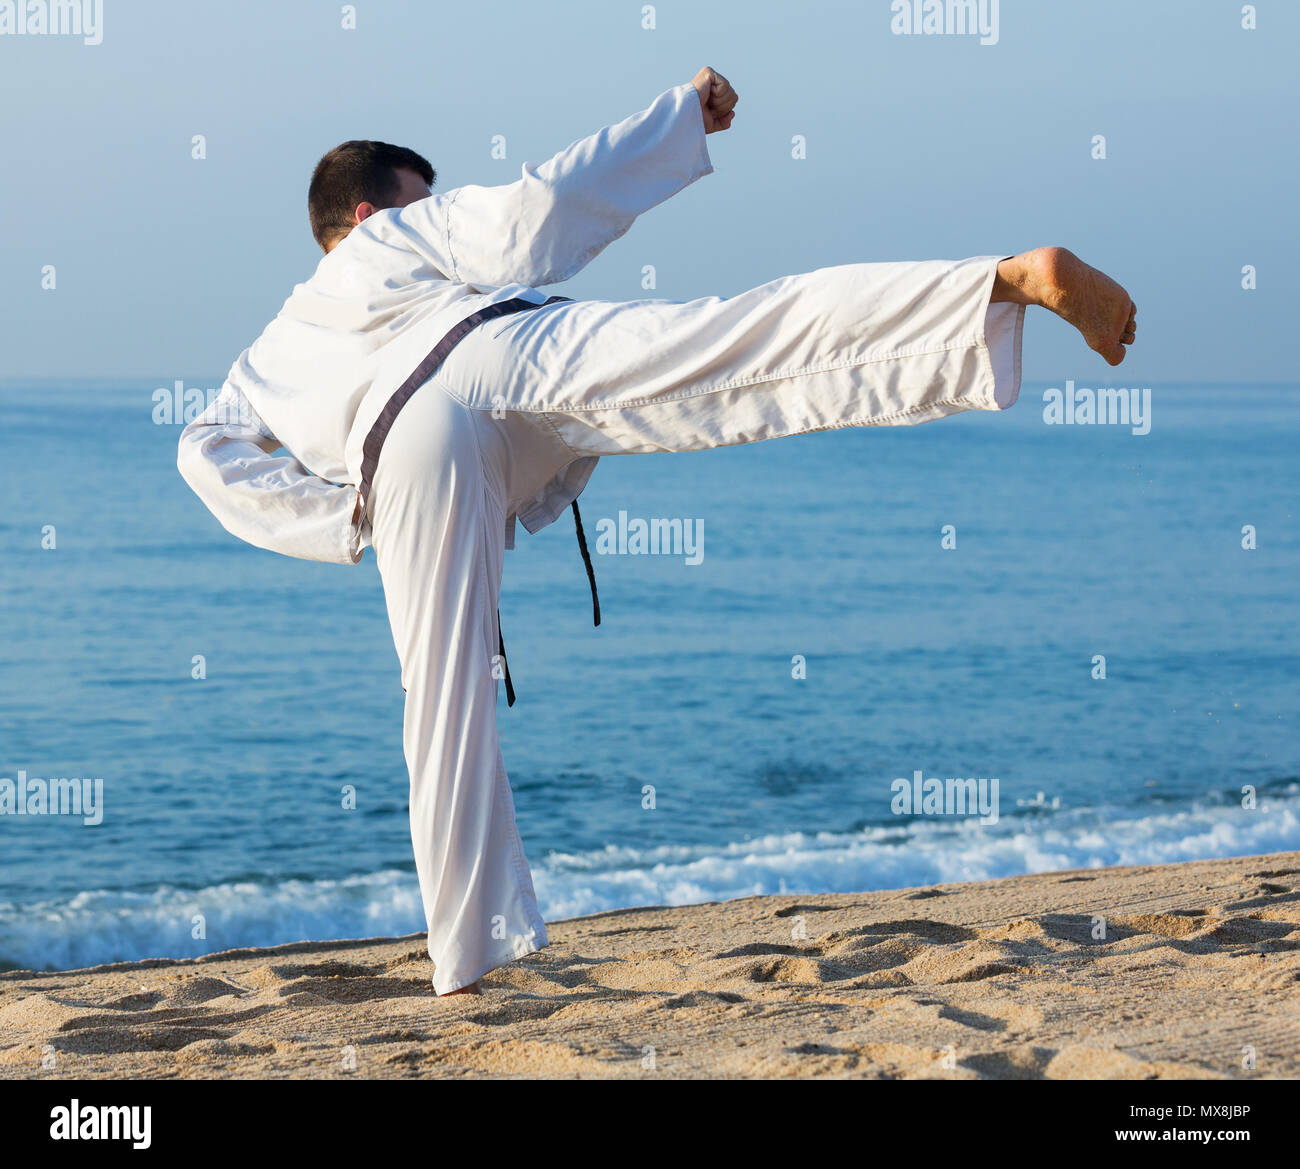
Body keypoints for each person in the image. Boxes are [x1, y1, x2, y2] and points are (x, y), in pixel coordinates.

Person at [177, 67, 1137, 996]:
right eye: (421, 199)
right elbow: (532, 212)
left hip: (405, 447)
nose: (432, 207)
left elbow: (204, 450)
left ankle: (461, 960)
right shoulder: (394, 238)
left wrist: (339, 516)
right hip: (501, 351)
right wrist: (675, 123)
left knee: (440, 701)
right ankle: (994, 285)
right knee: (737, 339)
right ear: (367, 216)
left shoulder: (266, 352)